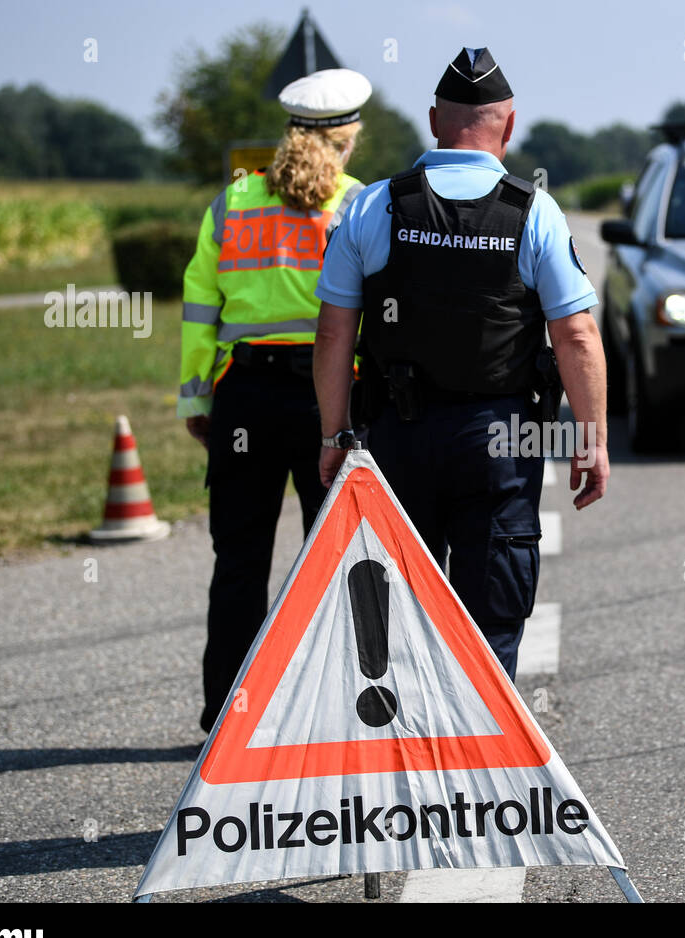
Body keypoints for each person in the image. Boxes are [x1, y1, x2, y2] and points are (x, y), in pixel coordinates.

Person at [312, 46, 609, 680]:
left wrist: (334, 435)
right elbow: (578, 336)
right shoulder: (534, 212)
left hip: (396, 437)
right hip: (500, 439)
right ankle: (485, 764)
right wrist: (591, 438)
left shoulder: (372, 207)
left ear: (432, 121)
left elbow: (335, 332)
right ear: (508, 124)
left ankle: (406, 759)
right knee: (492, 617)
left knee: (395, 614)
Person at [179, 68, 372, 732]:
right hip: (328, 397)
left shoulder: (232, 204)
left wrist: (194, 399)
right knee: (342, 559)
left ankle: (229, 720)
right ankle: (344, 716)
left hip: (243, 396)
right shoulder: (358, 204)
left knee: (238, 562)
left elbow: (200, 305)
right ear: (347, 141)